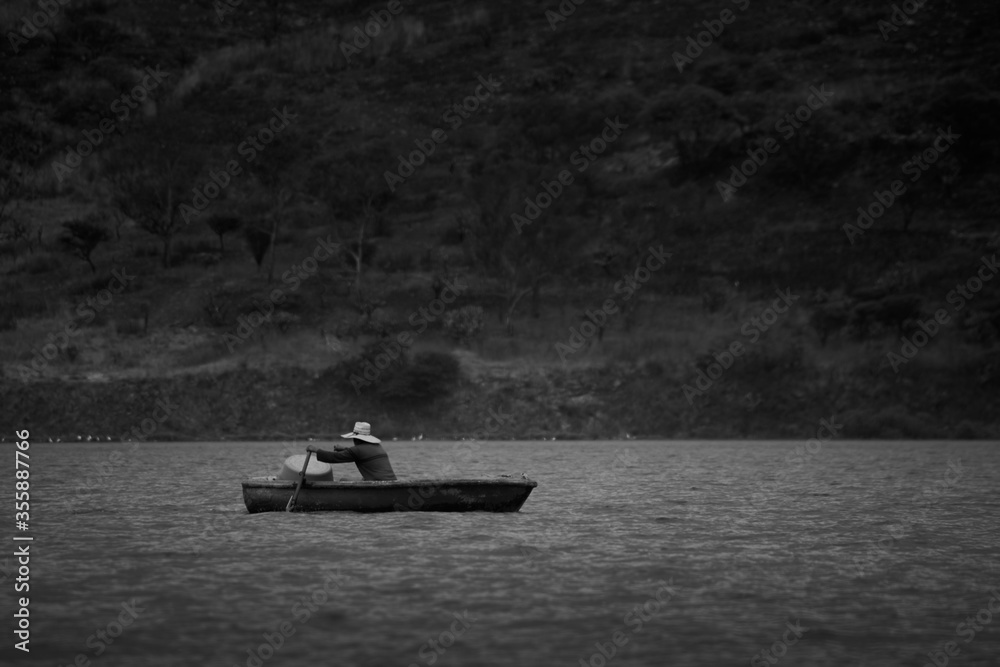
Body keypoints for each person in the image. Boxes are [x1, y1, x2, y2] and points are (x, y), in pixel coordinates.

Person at [306, 421, 397, 481]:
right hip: (392, 481)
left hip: (377, 484)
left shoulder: (357, 450)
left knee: (343, 480)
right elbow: (361, 453)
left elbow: (333, 457)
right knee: (362, 479)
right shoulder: (378, 446)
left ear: (357, 439)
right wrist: (345, 449)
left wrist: (316, 450)